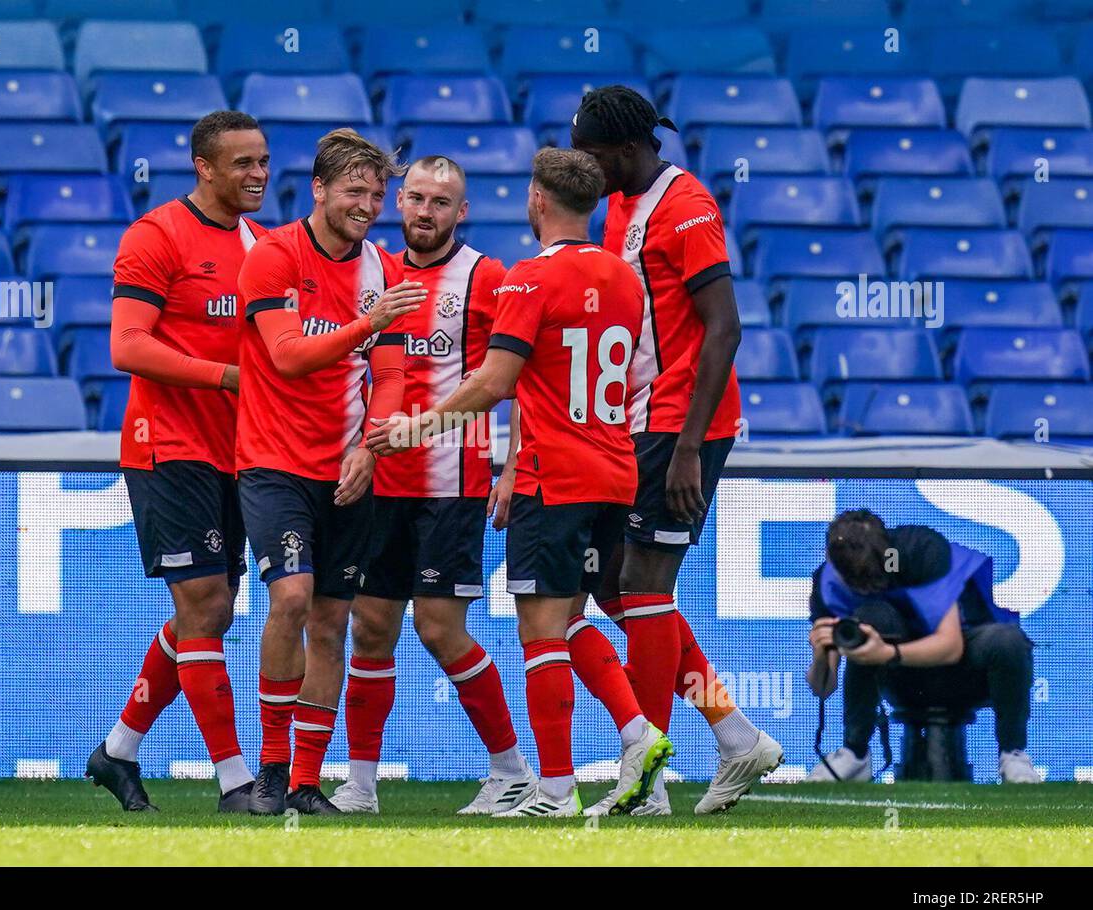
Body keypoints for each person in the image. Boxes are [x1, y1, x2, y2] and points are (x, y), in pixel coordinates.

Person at [370, 148, 672, 818]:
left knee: (540, 633)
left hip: (554, 475)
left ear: (538, 199)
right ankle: (639, 742)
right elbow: (643, 374)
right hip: (614, 470)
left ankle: (556, 791)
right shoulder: (624, 277)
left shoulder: (528, 281)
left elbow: (492, 384)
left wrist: (415, 430)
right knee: (571, 620)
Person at [568, 85, 782, 815]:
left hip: (679, 426)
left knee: (646, 588)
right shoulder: (624, 203)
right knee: (614, 588)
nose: (586, 170)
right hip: (634, 423)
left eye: (593, 157)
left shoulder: (685, 206)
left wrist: (689, 445)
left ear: (626, 150)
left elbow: (724, 327)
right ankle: (733, 732)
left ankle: (649, 778)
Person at [329, 155, 537, 816]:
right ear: (400, 202)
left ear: (462, 212)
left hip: (454, 479)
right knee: (370, 629)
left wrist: (513, 465)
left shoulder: (487, 276)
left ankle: (511, 770)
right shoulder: (375, 273)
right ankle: (361, 783)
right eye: (416, 198)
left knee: (440, 629)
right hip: (377, 479)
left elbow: (520, 378)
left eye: (440, 202)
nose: (425, 212)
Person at [236, 128, 427, 815]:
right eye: (355, 189)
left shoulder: (387, 274)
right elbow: (287, 356)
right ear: (318, 189)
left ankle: (308, 782)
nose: (369, 204)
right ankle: (270, 766)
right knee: (289, 600)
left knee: (331, 621)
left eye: (377, 193)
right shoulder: (272, 257)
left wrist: (372, 449)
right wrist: (366, 321)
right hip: (273, 464)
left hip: (348, 468)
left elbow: (395, 376)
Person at [88, 110, 269, 813]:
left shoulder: (261, 242)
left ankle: (119, 751)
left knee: (209, 617)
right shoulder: (156, 235)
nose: (257, 174)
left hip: (238, 451)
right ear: (204, 167)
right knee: (206, 605)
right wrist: (225, 378)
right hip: (167, 445)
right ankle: (235, 781)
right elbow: (127, 347)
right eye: (242, 163)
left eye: (262, 161)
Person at [806, 509, 1041, 784]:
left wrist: (888, 653)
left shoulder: (920, 549)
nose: (871, 585)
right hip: (898, 679)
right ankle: (856, 753)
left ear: (886, 550)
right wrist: (822, 657)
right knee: (871, 617)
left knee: (1007, 639)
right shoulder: (828, 584)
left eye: (874, 576)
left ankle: (1013, 753)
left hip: (963, 669)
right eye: (860, 583)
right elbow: (823, 688)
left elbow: (950, 645)